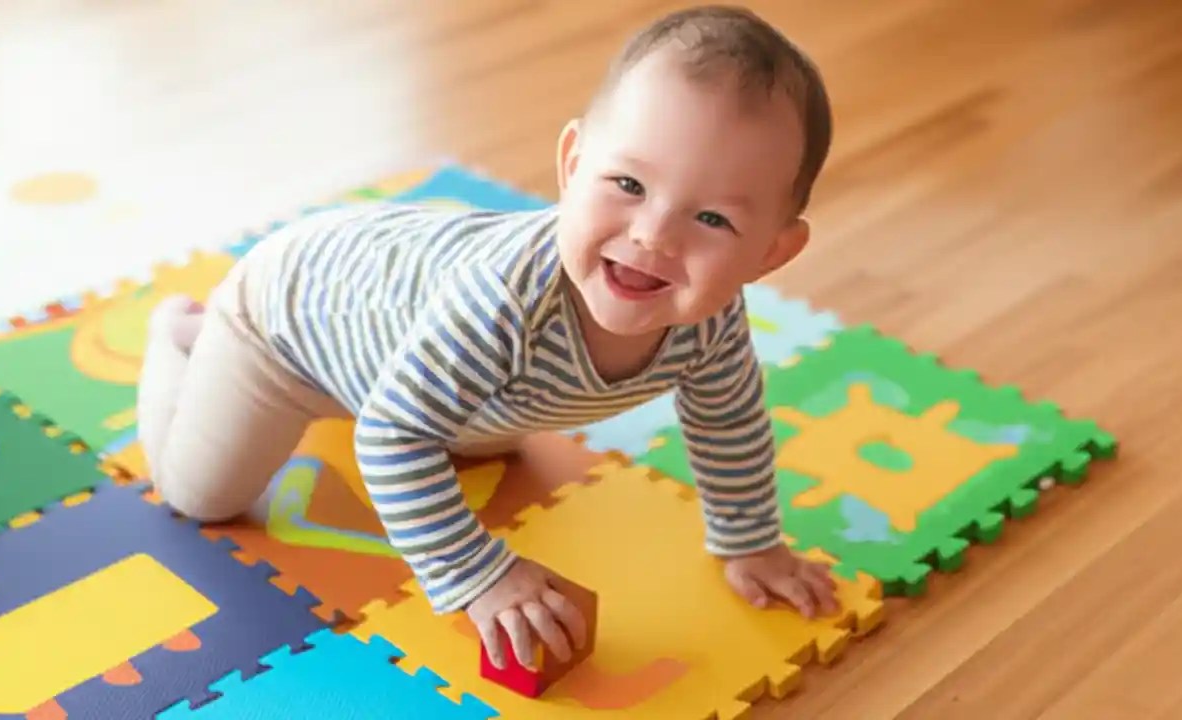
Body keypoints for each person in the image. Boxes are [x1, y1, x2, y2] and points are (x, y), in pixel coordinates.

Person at [135, 4, 839, 676]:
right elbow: (389, 439)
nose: (654, 235)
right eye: (627, 183)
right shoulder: (502, 303)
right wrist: (477, 575)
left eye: (712, 219)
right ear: (572, 166)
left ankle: (428, 391)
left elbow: (728, 420)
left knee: (476, 426)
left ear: (771, 254)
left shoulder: (713, 319)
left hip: (405, 349)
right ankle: (183, 337)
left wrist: (751, 541)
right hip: (285, 330)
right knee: (203, 497)